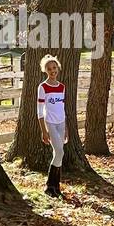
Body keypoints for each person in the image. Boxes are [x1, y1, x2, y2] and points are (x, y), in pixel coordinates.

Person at [37, 54, 67, 197]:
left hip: (61, 123)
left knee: (59, 153)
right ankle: (49, 185)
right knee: (59, 152)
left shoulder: (62, 87)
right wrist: (44, 131)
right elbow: (39, 111)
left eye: (54, 68)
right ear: (45, 70)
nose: (52, 71)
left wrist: (66, 128)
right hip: (50, 123)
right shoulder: (43, 87)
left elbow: (63, 108)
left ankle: (56, 187)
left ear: (58, 68)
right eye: (49, 69)